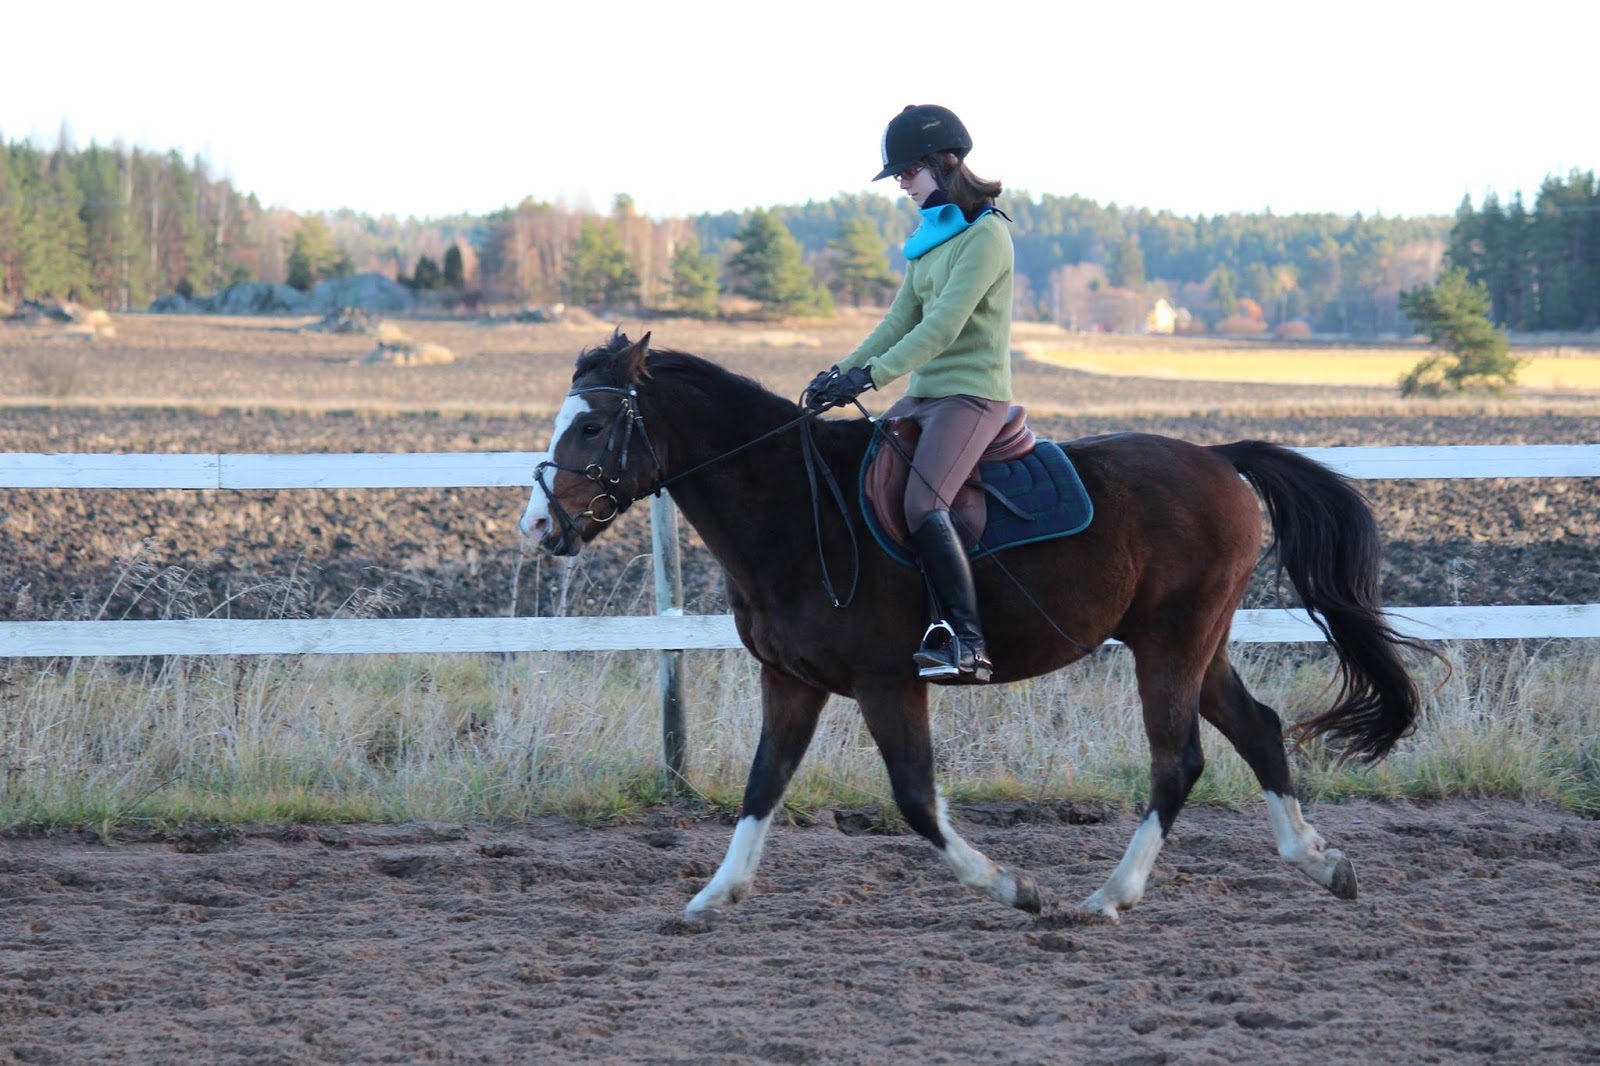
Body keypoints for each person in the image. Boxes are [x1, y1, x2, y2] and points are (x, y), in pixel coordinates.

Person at [806, 104, 1014, 684]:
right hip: (925, 395)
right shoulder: (931, 238)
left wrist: (870, 379)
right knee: (865, 481)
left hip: (972, 396)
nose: (900, 183)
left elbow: (942, 326)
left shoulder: (986, 235)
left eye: (906, 172)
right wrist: (839, 372)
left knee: (924, 504)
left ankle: (969, 646)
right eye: (898, 175)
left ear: (942, 163)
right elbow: (898, 320)